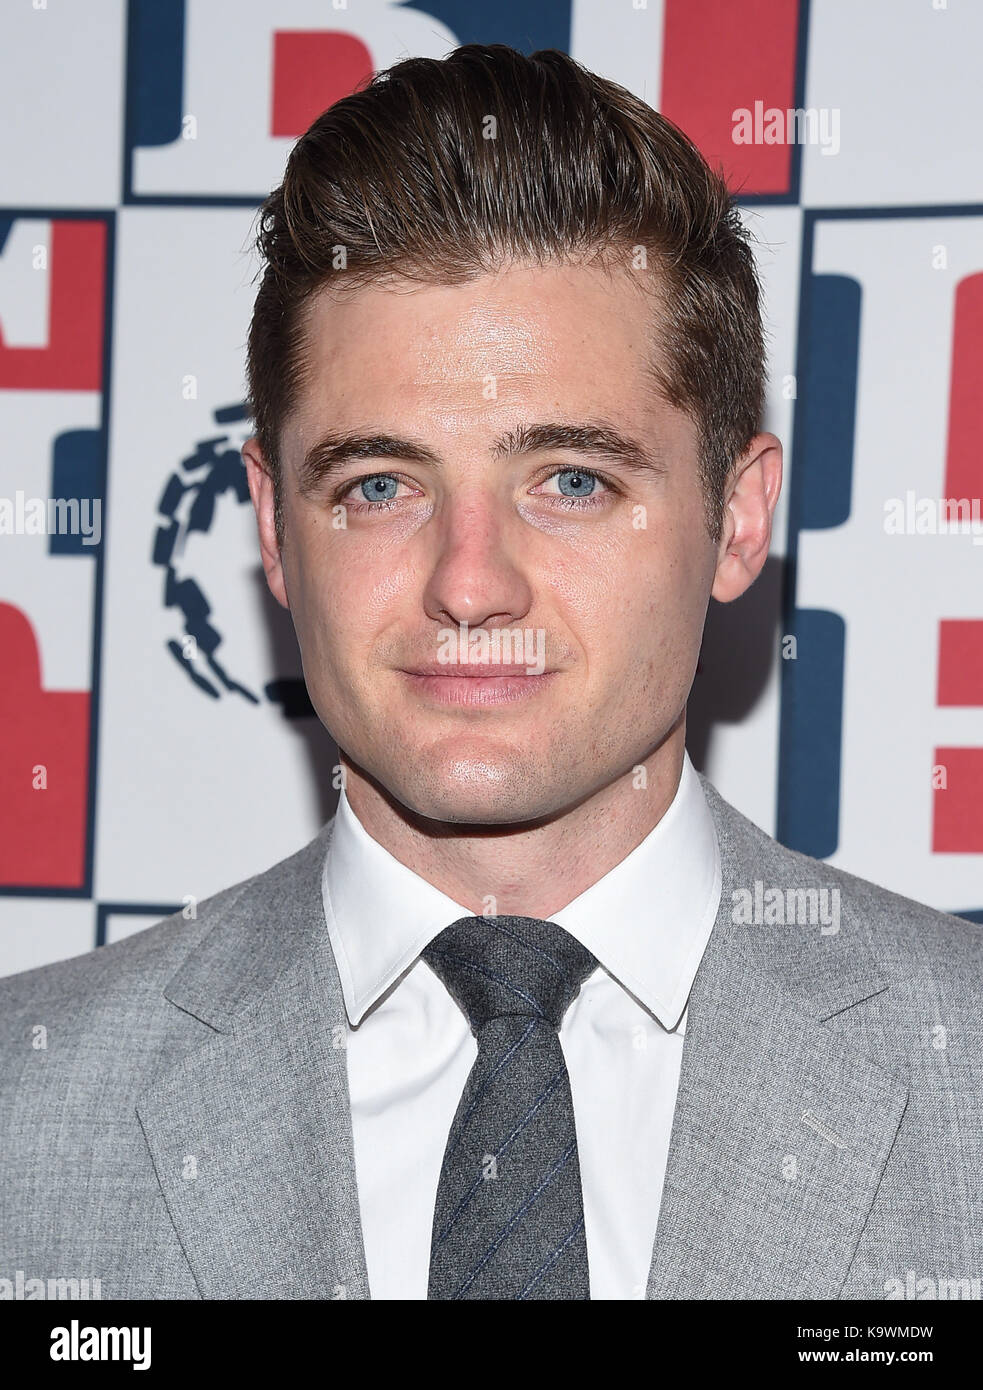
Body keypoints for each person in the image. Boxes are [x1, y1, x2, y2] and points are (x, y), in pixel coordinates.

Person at [2, 44, 980, 1302]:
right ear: (269, 531)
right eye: (380, 485)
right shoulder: (30, 1113)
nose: (469, 582)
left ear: (736, 519)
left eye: (571, 481)